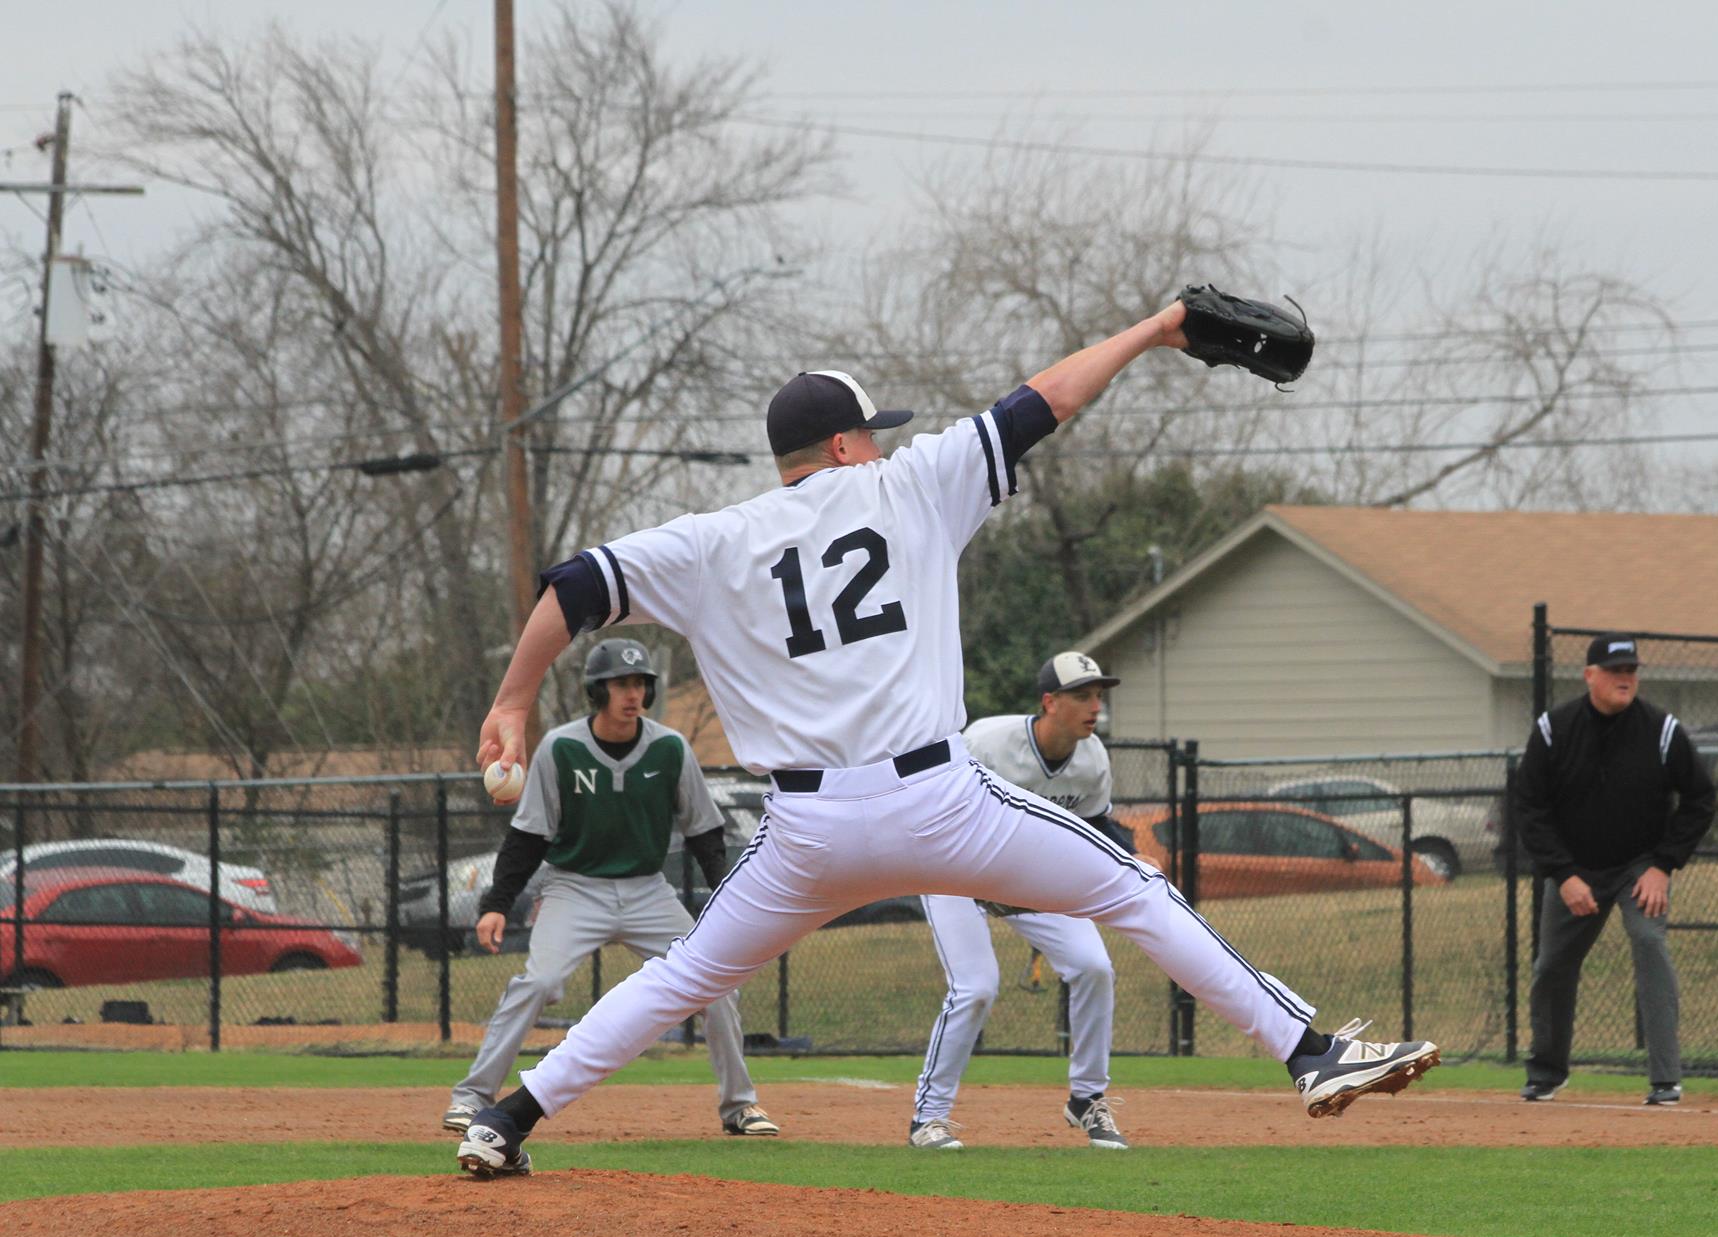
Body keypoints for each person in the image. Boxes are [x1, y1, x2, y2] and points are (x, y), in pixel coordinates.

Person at [455, 297, 1439, 1180]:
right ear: (843, 445)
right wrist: (1157, 329)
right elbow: (1044, 400)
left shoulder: (713, 541)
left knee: (685, 975)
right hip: (937, 803)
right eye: (870, 432)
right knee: (1133, 890)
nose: (881, 444)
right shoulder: (911, 484)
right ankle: (1307, 1052)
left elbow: (571, 588)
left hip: (806, 830)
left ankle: (507, 1116)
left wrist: (513, 697)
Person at [441, 638, 779, 1150]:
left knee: (716, 987)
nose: (633, 693)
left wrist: (732, 901)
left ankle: (740, 1106)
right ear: (598, 691)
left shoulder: (669, 748)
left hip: (648, 891)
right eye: (621, 684)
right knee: (538, 982)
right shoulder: (561, 748)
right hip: (574, 887)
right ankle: (471, 1096)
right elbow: (528, 837)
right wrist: (495, 906)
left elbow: (705, 835)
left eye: (640, 683)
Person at [911, 651, 1134, 1150]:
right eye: (1082, 695)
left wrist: (1133, 857)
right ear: (1049, 702)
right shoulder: (987, 742)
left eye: (1098, 695)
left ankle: (1087, 1099)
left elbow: (1096, 826)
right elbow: (934, 798)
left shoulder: (1092, 758)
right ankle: (929, 1118)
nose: (1095, 706)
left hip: (1027, 880)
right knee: (976, 987)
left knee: (1094, 967)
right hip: (953, 872)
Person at [1514, 633, 1717, 1107]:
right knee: (1552, 966)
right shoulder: (1554, 729)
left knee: (1649, 942)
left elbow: (1700, 798)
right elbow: (1529, 806)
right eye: (1615, 671)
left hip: (1639, 867)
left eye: (1631, 671)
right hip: (1575, 868)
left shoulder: (1662, 730)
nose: (1625, 678)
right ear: (1590, 676)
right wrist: (1563, 874)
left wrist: (1663, 865)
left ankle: (1665, 1079)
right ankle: (1546, 1072)